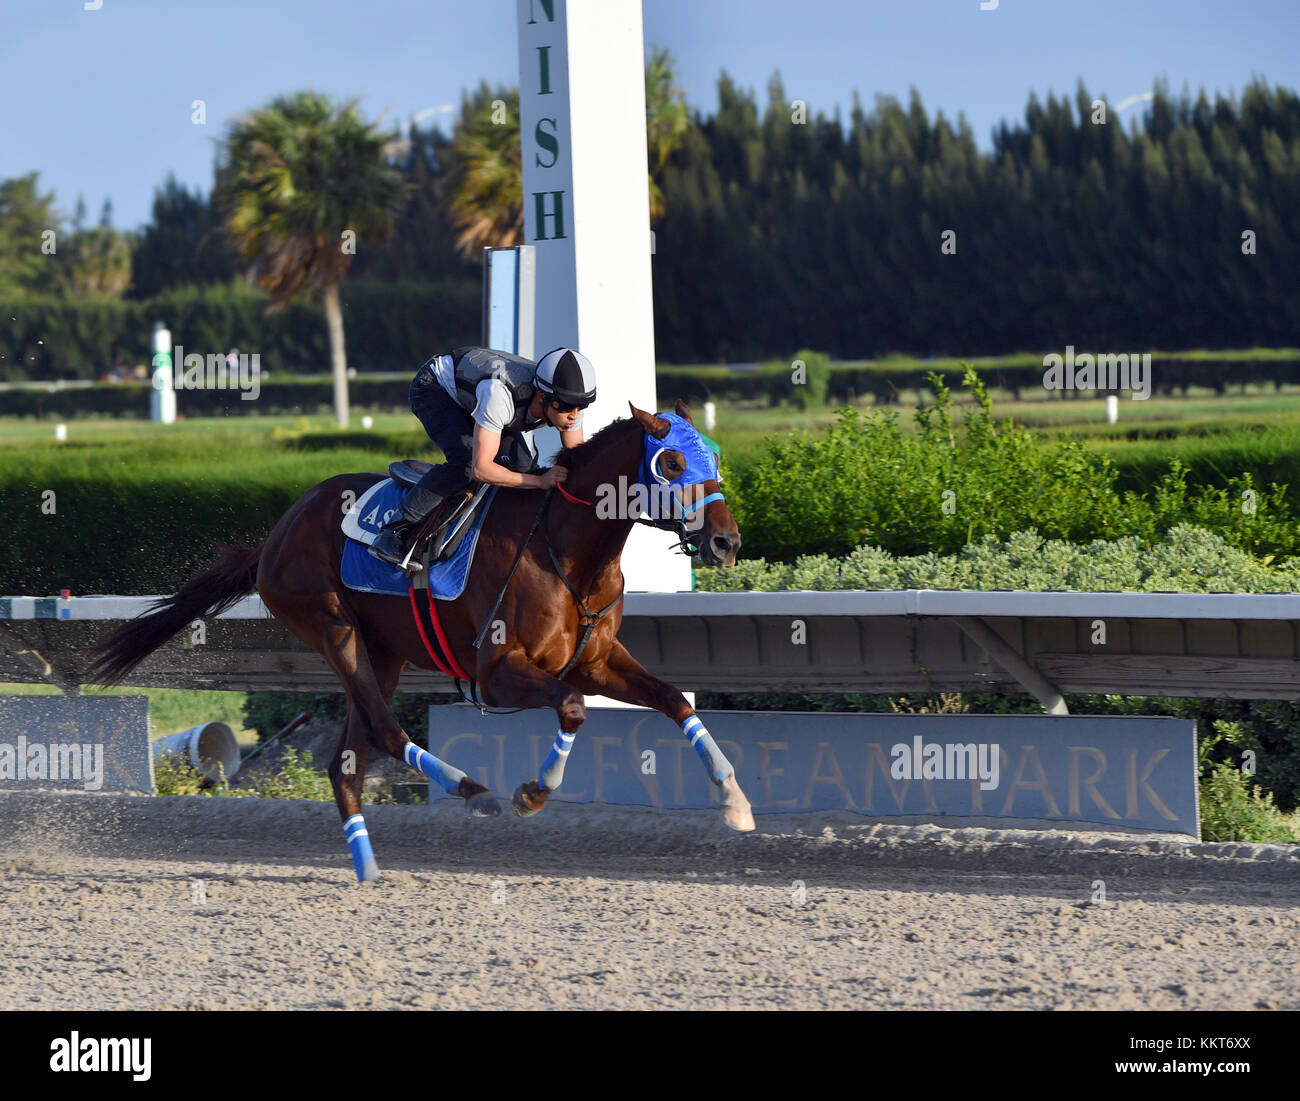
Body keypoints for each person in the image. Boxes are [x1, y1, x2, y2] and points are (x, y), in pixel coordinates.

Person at [369, 345, 597, 567]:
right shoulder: (499, 396)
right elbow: (482, 468)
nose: (573, 416)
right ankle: (394, 530)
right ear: (541, 397)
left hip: (479, 395)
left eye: (580, 407)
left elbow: (577, 462)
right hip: (435, 388)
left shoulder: (567, 402)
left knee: (523, 468)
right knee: (466, 465)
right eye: (567, 407)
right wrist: (540, 480)